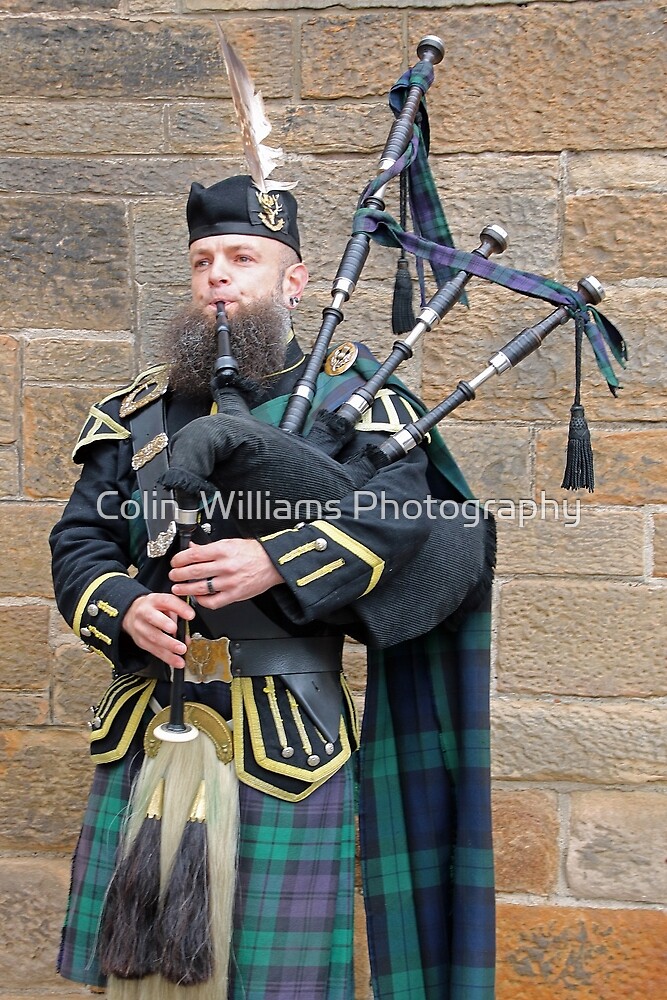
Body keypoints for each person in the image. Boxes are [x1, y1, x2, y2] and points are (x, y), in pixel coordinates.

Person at [51, 174, 496, 1000]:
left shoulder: (354, 400)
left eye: (242, 257)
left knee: (277, 982)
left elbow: (410, 516)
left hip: (286, 736)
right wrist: (123, 606)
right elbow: (79, 542)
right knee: (141, 978)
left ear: (293, 281)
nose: (218, 273)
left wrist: (280, 560)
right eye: (203, 259)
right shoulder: (137, 413)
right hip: (150, 719)